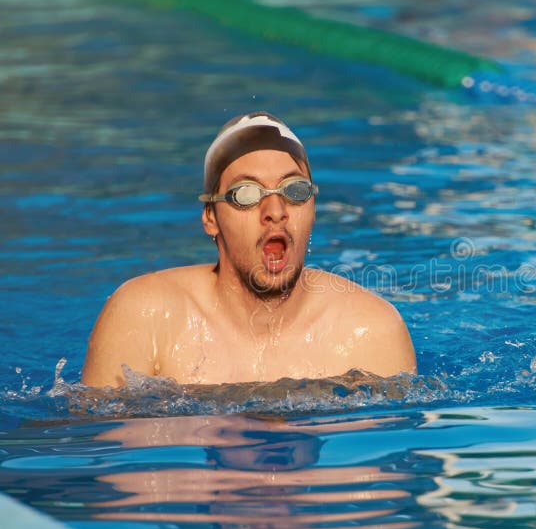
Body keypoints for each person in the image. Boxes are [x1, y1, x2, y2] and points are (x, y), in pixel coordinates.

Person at [82, 112, 416, 387]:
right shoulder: (145, 317)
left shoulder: (370, 333)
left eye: (294, 190)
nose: (275, 210)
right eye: (246, 194)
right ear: (211, 218)